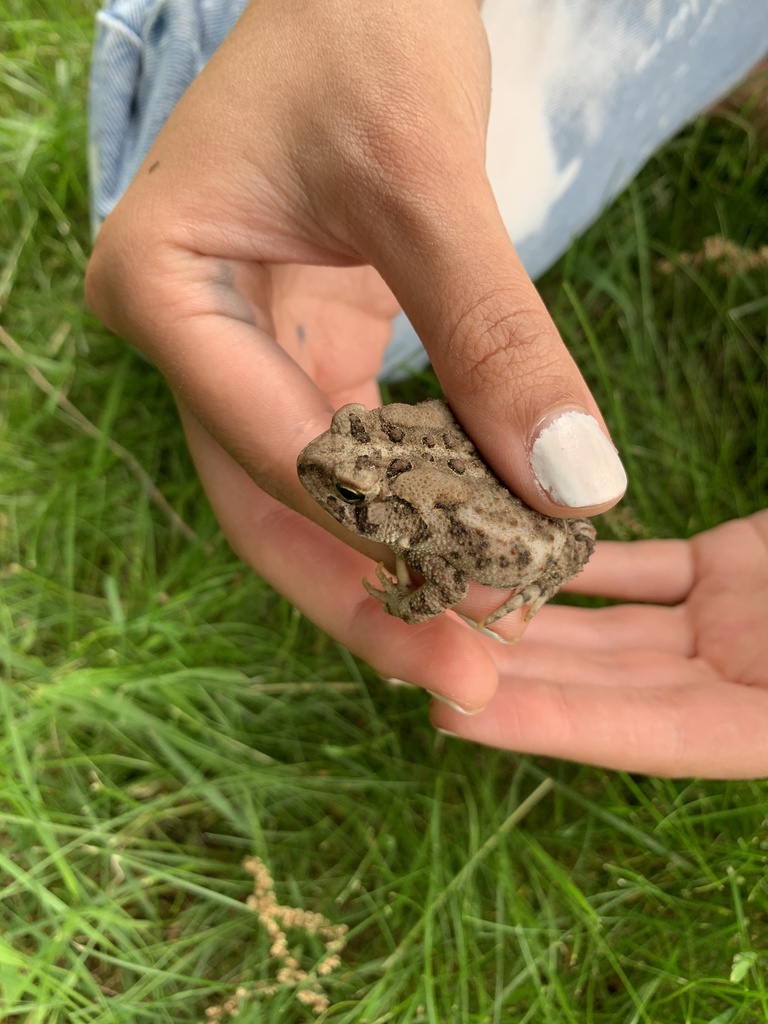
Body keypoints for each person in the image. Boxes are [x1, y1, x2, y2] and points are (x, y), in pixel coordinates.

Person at [85, 0, 768, 778]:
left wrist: (408, 597)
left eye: (345, 491)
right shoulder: (411, 509)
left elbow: (435, 585)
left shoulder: (428, 533)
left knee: (321, 309)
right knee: (335, 296)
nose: (325, 465)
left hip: (535, 534)